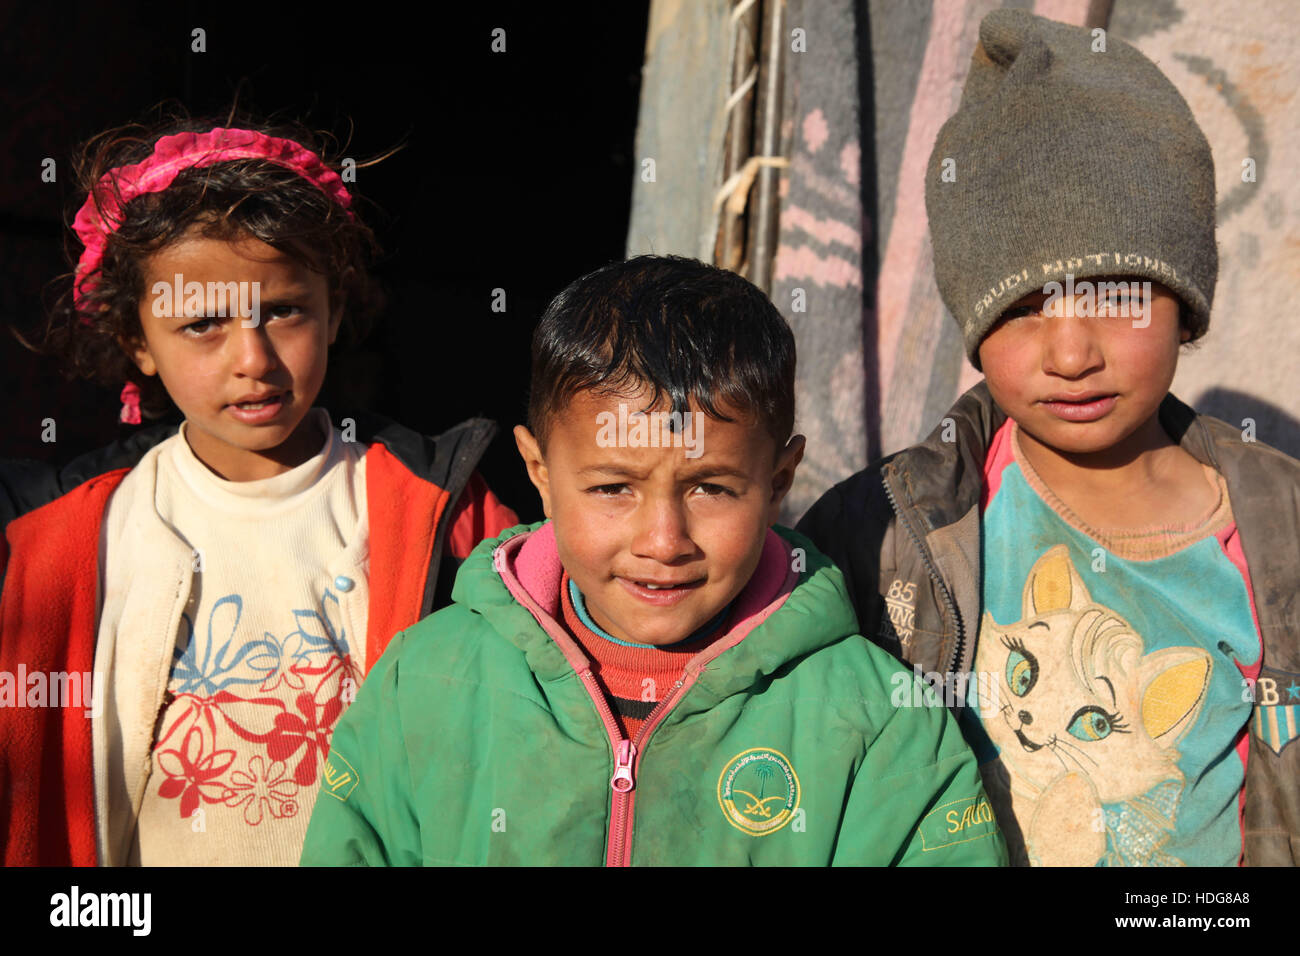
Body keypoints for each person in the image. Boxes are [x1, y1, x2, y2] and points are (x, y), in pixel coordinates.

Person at [300, 255, 1005, 866]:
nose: (664, 541)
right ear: (539, 471)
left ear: (779, 481)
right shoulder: (427, 682)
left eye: (711, 488)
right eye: (613, 488)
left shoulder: (876, 720)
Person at [797, 9, 1300, 866]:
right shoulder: (883, 531)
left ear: (1186, 310)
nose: (1071, 355)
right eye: (1024, 309)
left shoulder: (1279, 530)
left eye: (1115, 297)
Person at [0, 109, 518, 865]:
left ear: (334, 310)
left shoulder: (441, 506)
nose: (253, 358)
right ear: (137, 341)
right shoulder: (65, 534)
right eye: (202, 324)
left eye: (283, 311)